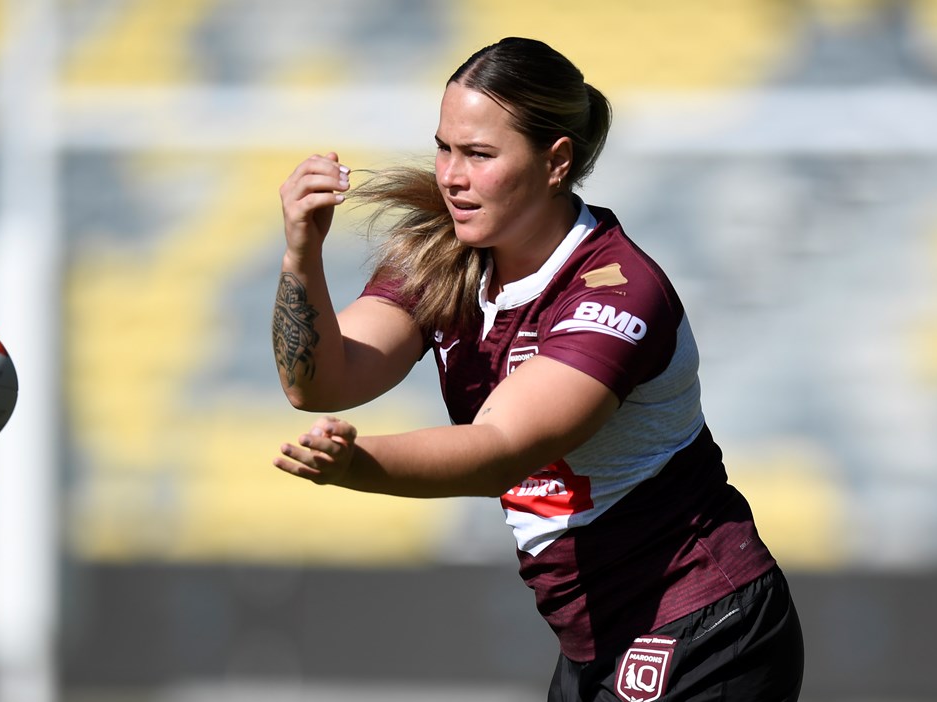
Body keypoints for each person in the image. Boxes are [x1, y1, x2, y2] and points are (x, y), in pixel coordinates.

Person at [269, 37, 805, 701]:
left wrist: (356, 464)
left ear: (556, 162)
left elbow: (501, 451)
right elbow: (320, 382)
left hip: (704, 628)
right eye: (443, 148)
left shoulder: (617, 292)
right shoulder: (440, 256)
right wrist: (301, 254)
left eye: (479, 155)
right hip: (597, 643)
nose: (451, 176)